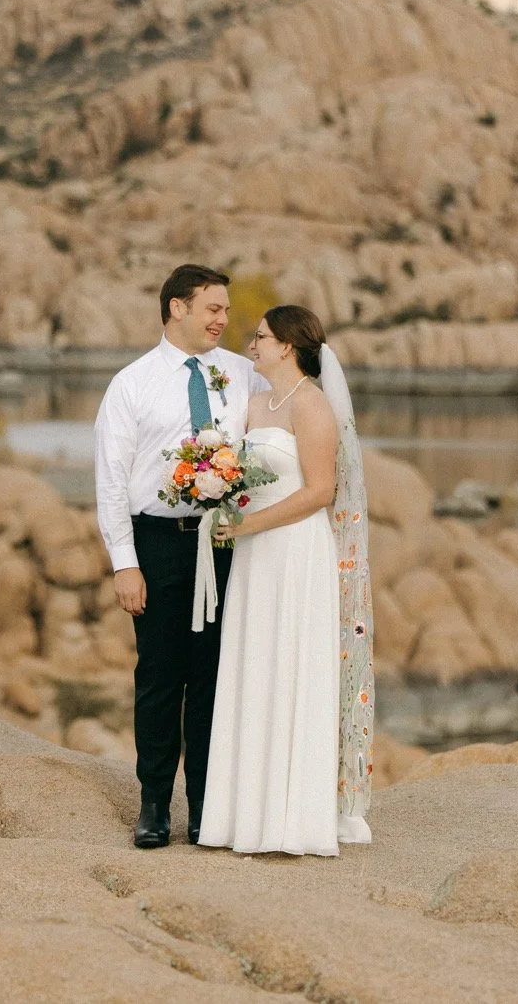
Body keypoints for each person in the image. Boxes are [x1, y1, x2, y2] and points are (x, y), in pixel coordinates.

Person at [196, 304, 375, 855]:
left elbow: (320, 492)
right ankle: (241, 815)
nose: (253, 345)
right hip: (254, 556)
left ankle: (292, 818)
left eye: (262, 337)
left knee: (291, 665)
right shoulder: (252, 404)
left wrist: (249, 524)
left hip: (295, 551)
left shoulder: (312, 405)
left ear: (287, 347)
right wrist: (210, 490)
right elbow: (236, 473)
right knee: (253, 664)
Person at [92, 263, 257, 848]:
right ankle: (155, 804)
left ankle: (208, 806)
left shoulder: (242, 374)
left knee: (215, 678)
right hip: (157, 543)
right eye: (213, 308)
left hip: (226, 542)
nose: (223, 319)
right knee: (160, 677)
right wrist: (124, 561)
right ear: (177, 308)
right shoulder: (131, 383)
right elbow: (110, 480)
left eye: (226, 311)